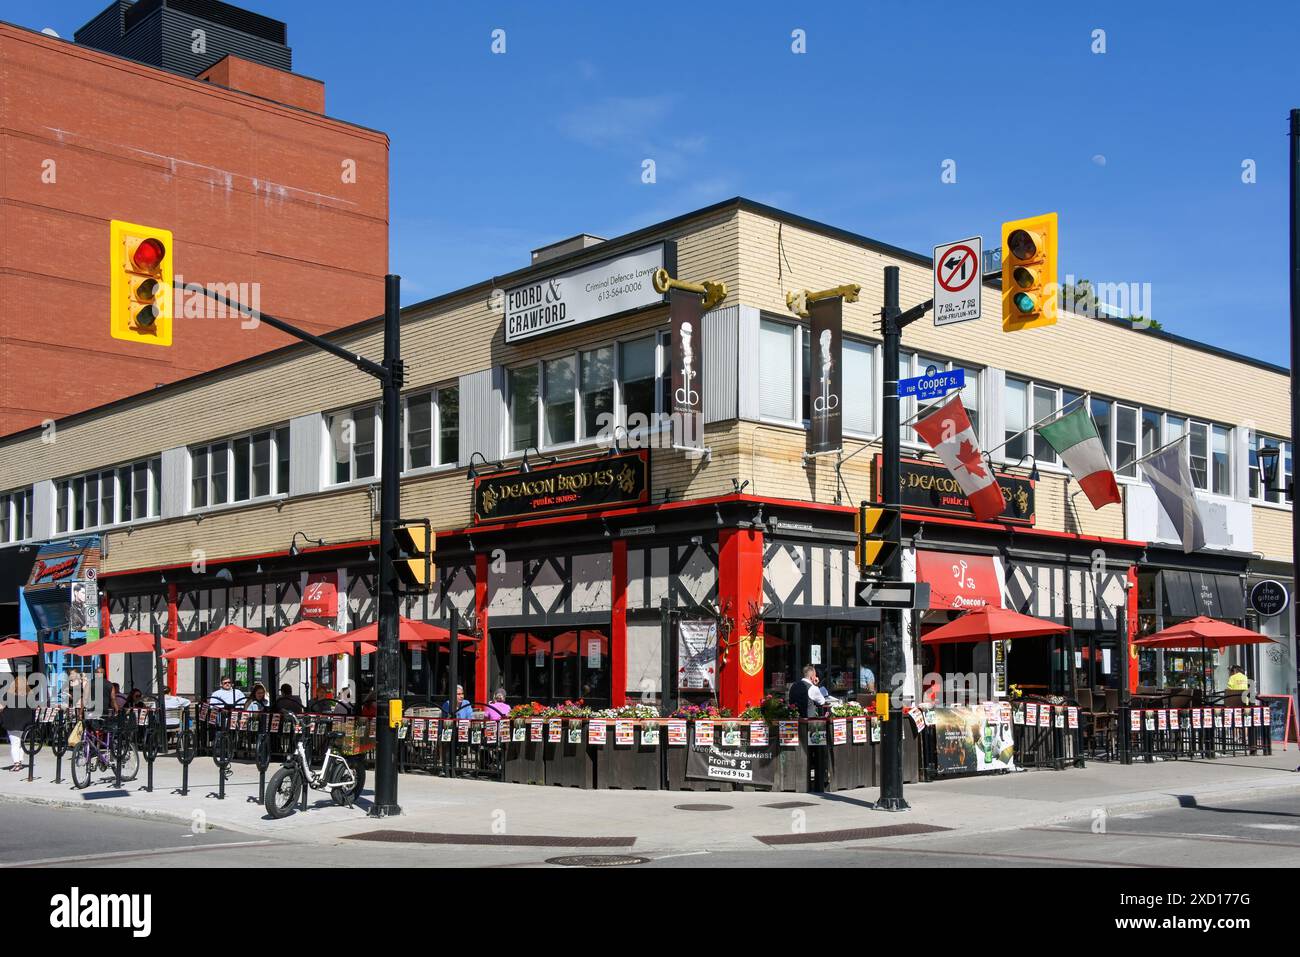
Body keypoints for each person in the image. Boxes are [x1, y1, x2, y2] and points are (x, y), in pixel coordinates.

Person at [1, 675, 32, 771]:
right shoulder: (30, 695)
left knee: (15, 743)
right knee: (20, 743)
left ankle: (17, 764)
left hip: (12, 722)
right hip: (25, 723)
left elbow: (1, 707)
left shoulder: (8, 695)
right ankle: (20, 761)